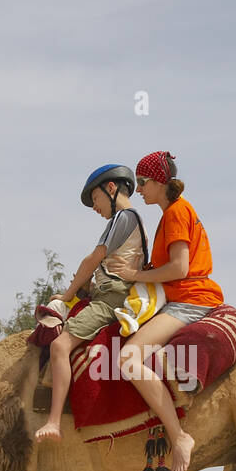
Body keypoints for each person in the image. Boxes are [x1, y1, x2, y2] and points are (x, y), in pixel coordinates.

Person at [111, 150, 224, 471]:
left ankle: (178, 436)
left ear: (159, 182)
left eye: (143, 182)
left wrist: (133, 277)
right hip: (185, 298)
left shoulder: (175, 213)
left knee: (128, 358)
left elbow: (179, 268)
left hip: (189, 301)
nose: (140, 189)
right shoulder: (173, 212)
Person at [35, 164, 148, 443]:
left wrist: (66, 295)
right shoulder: (124, 221)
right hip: (104, 294)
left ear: (111, 188)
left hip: (110, 300)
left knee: (59, 345)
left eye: (95, 199)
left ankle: (53, 421)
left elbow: (91, 261)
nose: (95, 207)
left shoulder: (124, 217)